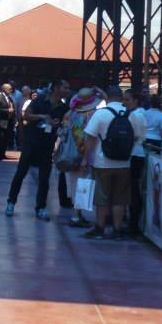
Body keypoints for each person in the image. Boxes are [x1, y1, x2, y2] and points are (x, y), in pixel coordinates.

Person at [80, 85, 143, 240]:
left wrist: (85, 159)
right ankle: (117, 230)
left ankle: (100, 229)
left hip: (102, 163)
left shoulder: (100, 114)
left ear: (106, 98)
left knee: (102, 198)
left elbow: (90, 139)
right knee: (120, 199)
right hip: (124, 164)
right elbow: (138, 137)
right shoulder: (131, 115)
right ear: (121, 98)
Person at [6, 79, 71, 221]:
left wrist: (57, 124)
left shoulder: (63, 108)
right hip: (31, 143)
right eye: (65, 87)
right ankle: (11, 202)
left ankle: (40, 207)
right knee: (20, 173)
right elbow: (26, 115)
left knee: (44, 178)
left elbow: (65, 124)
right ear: (56, 88)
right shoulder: (40, 100)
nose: (68, 90)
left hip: (47, 145)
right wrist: (42, 116)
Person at [57, 87, 102, 227]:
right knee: (83, 185)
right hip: (85, 155)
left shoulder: (69, 114)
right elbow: (90, 138)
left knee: (73, 184)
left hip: (69, 155)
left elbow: (61, 133)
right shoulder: (91, 115)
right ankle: (76, 216)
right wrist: (85, 157)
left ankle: (78, 214)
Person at [124, 90, 148, 235]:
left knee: (133, 190)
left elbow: (136, 136)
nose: (124, 103)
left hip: (135, 154)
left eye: (127, 100)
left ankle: (133, 224)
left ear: (135, 101)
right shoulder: (140, 114)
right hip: (137, 154)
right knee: (133, 189)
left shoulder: (135, 115)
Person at [0, 84, 15, 160]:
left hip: (9, 121)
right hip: (1, 121)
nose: (11, 90)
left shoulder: (9, 98)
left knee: (6, 138)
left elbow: (13, 108)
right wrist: (7, 110)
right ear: (4, 89)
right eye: (9, 89)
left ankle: (2, 153)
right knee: (0, 138)